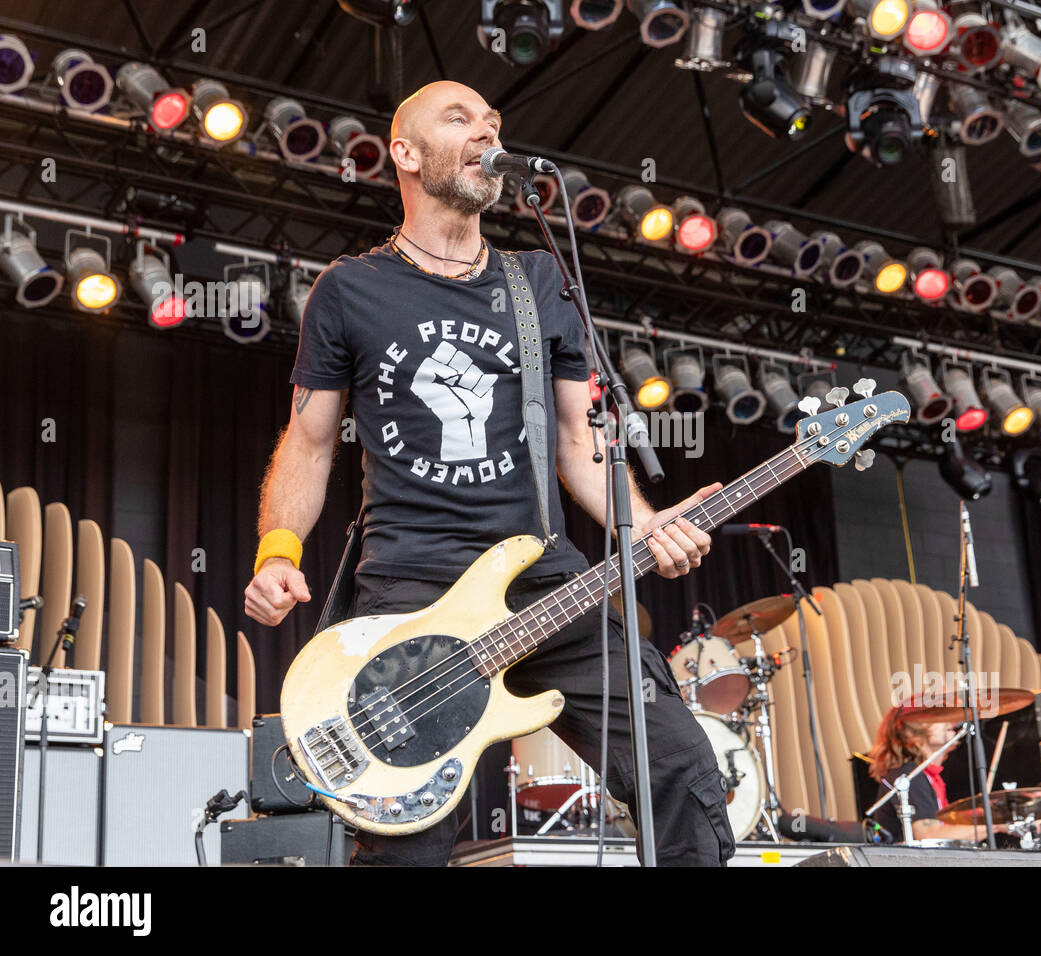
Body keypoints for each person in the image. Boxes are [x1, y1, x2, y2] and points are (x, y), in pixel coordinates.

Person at [243, 80, 736, 867]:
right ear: (404, 152)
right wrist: (277, 555)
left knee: (679, 766)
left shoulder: (539, 280)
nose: (485, 131)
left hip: (545, 583)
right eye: (460, 118)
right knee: (410, 837)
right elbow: (308, 444)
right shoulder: (350, 290)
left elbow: (580, 439)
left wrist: (643, 525)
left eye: (493, 122)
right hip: (410, 591)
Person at [866, 705, 1005, 844]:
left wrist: (981, 812)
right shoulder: (908, 775)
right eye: (937, 717)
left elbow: (943, 826)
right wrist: (996, 824)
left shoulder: (930, 776)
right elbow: (928, 834)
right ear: (911, 733)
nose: (949, 721)